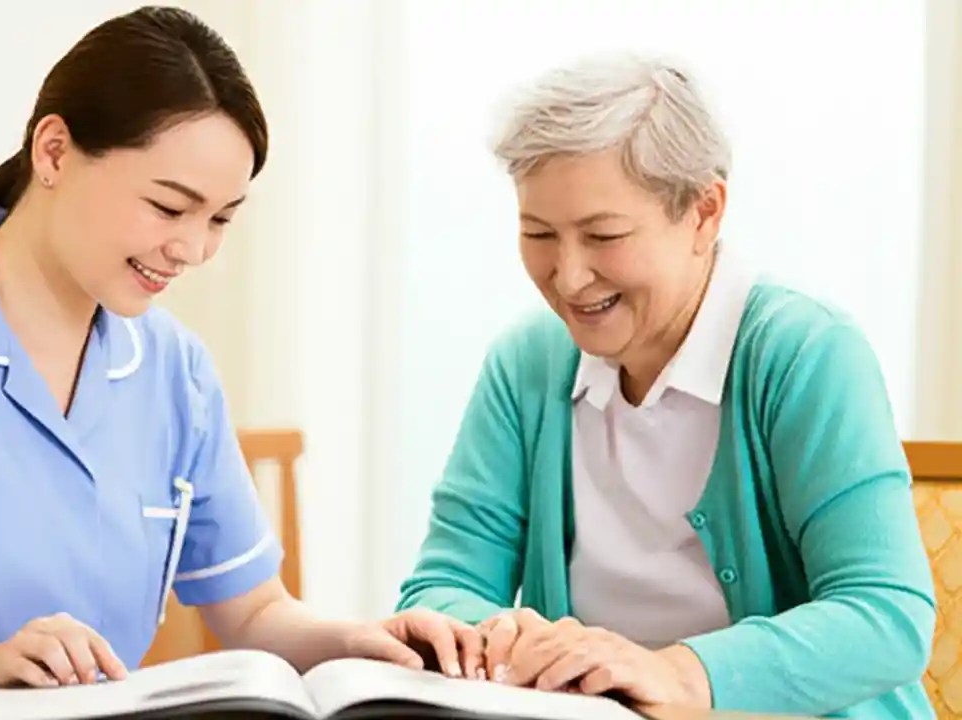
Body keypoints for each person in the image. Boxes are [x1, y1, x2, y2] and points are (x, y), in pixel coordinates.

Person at [0, 7, 479, 717]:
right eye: (169, 207)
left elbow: (250, 610)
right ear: (53, 151)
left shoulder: (174, 371)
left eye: (219, 219)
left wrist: (365, 644)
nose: (193, 250)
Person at [395, 53, 937, 718]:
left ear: (704, 214)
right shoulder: (525, 365)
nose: (567, 278)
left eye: (604, 235)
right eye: (538, 234)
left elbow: (887, 618)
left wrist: (677, 674)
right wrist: (494, 633)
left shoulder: (807, 355)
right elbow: (443, 584)